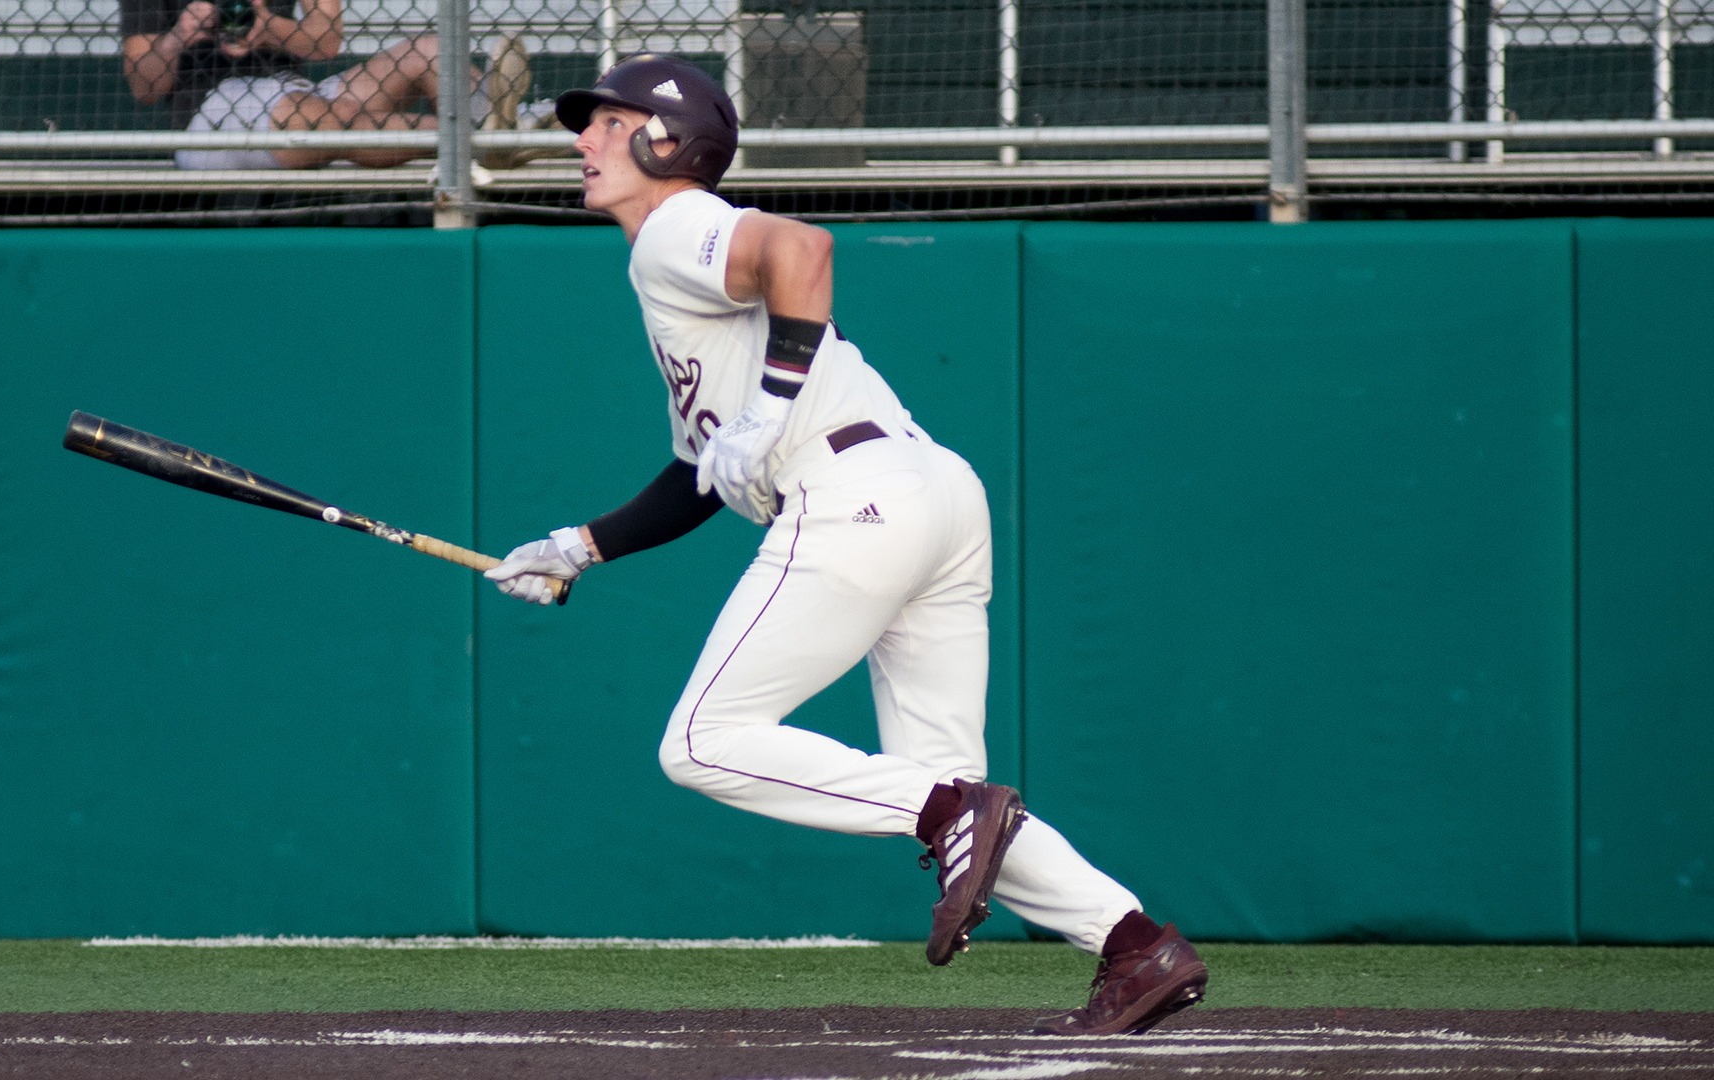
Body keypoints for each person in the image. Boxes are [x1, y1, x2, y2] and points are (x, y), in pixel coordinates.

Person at [484, 53, 1209, 1037]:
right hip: (931, 498)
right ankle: (1135, 948)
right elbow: (703, 474)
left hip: (851, 498)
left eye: (607, 124)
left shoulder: (673, 228)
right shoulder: (669, 263)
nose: (582, 141)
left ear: (668, 140)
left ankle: (956, 819)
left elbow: (805, 251)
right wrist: (577, 546)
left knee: (702, 744)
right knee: (954, 797)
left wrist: (770, 413)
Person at [120, 0, 535, 170]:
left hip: (294, 91)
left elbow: (326, 39)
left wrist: (269, 29)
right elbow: (146, 86)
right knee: (329, 119)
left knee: (431, 51)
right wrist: (180, 35)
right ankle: (486, 137)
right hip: (208, 116)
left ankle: (499, 134)